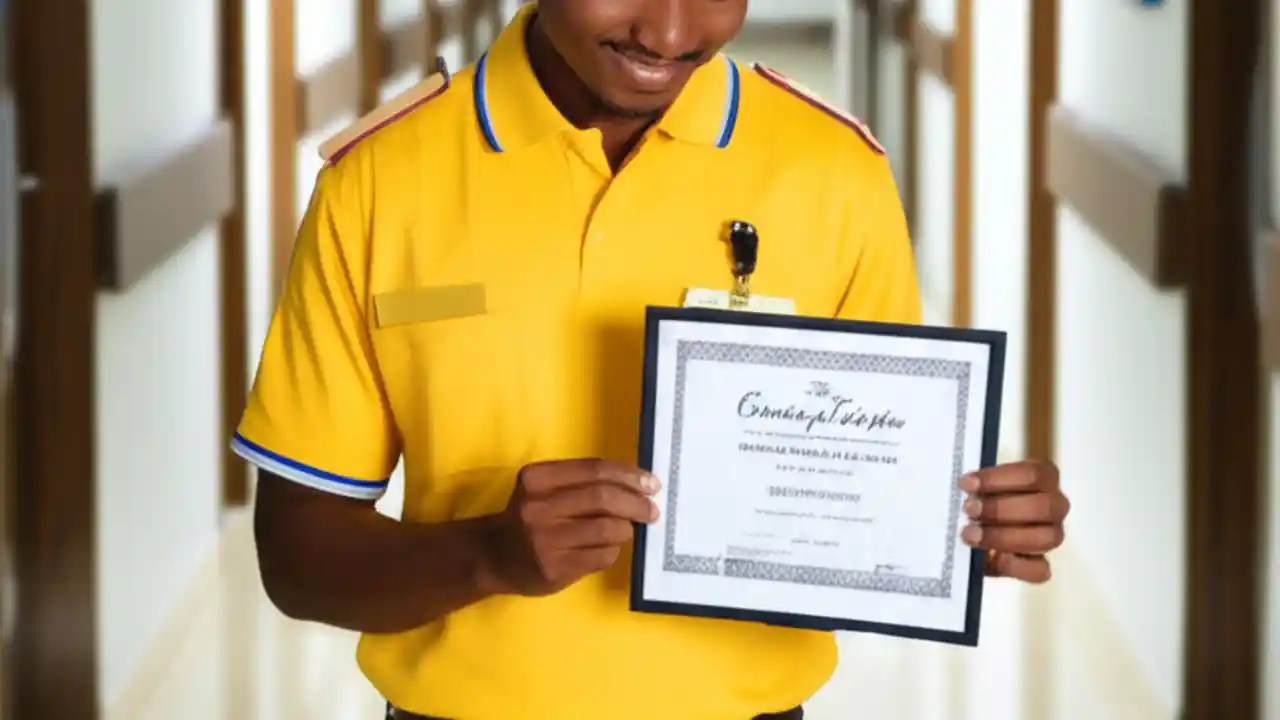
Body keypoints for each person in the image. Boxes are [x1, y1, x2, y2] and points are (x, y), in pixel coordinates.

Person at [233, 2, 1072, 718]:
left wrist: (957, 525)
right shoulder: (380, 179)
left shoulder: (836, 174)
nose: (669, 31)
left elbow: (856, 494)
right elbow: (298, 559)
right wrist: (487, 556)